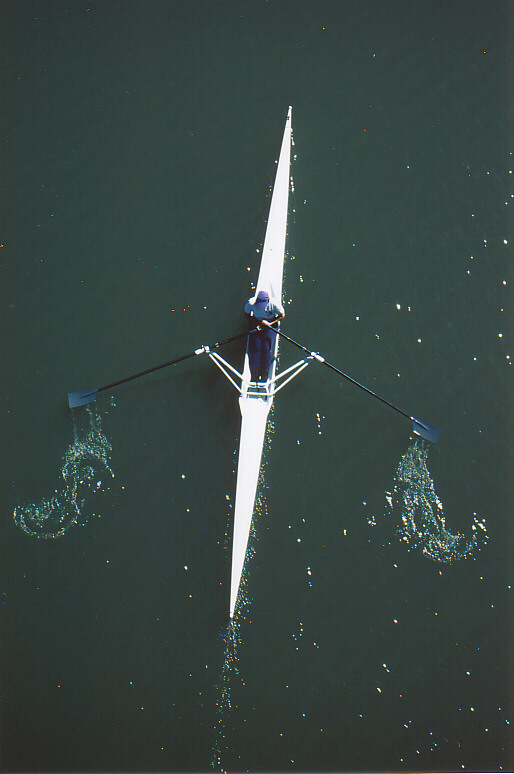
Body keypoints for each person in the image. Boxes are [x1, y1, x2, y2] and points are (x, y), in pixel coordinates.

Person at [244, 290, 285, 382]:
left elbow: (282, 315)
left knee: (266, 347)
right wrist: (257, 323)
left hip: (271, 324)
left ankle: (264, 375)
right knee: (256, 348)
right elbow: (246, 314)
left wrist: (270, 323)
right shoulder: (251, 302)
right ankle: (254, 375)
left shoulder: (274, 304)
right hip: (257, 324)